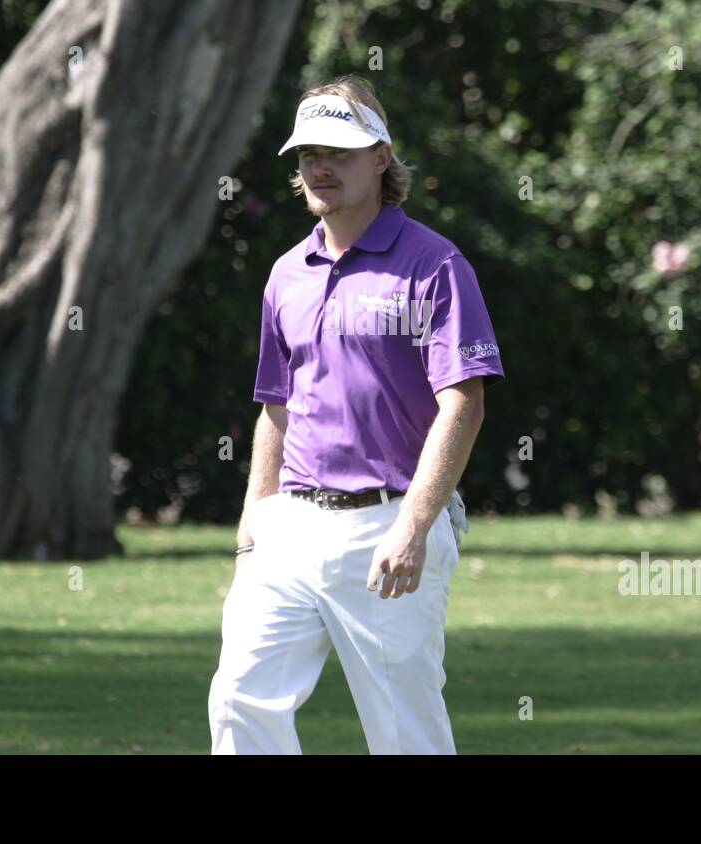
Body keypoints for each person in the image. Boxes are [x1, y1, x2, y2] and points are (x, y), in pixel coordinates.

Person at [207, 74, 505, 754]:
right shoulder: (288, 272)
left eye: (339, 151)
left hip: (388, 524)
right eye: (309, 151)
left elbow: (464, 401)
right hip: (290, 529)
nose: (320, 165)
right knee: (239, 698)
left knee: (404, 731)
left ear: (381, 159)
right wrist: (254, 527)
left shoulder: (435, 264)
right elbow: (275, 409)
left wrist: (414, 526)